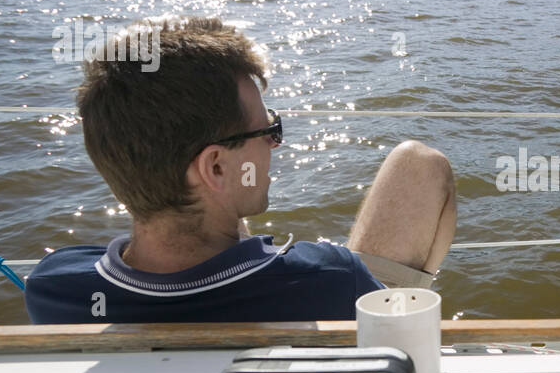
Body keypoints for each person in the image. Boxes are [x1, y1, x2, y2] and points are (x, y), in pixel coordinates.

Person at [25, 17, 455, 323]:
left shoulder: (54, 288)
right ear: (215, 166)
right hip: (355, 323)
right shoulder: (331, 282)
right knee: (419, 165)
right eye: (269, 130)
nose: (275, 144)